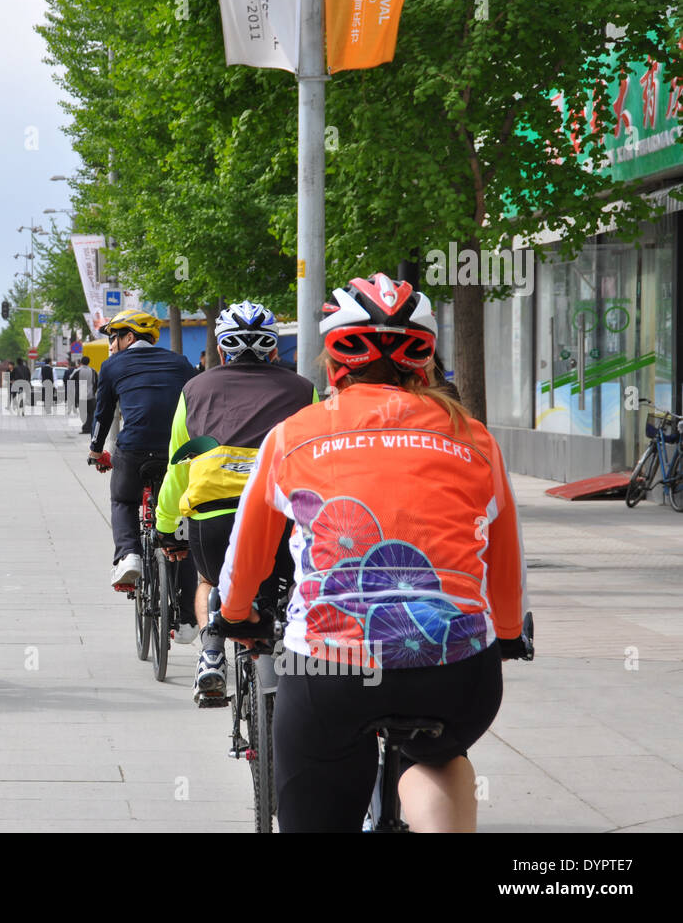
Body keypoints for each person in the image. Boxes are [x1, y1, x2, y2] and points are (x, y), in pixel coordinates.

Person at [215, 273, 529, 832]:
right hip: (457, 667)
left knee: (317, 796)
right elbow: (502, 560)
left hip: (329, 664)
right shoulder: (475, 437)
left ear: (336, 361)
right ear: (424, 360)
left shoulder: (292, 434)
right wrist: (506, 634)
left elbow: (247, 553)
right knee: (436, 756)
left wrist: (235, 614)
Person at [153, 303, 315, 705]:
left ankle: (211, 655)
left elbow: (179, 464)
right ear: (275, 350)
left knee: (211, 579)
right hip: (279, 509)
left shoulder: (195, 389)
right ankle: (292, 656)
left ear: (221, 353)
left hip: (214, 510)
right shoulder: (302, 388)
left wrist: (165, 524)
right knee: (289, 585)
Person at [88, 309, 200, 641]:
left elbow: (103, 413)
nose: (110, 345)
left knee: (123, 499)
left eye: (114, 337)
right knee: (179, 522)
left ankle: (128, 555)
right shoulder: (181, 363)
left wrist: (96, 451)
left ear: (130, 337)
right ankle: (187, 617)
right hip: (175, 453)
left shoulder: (111, 367)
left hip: (133, 451)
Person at [72, 355, 97, 434]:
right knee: (91, 412)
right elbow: (97, 382)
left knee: (84, 412)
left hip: (81, 394)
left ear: (81, 362)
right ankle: (88, 427)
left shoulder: (77, 371)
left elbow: (70, 379)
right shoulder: (93, 371)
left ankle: (86, 428)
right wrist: (94, 391)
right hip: (91, 395)